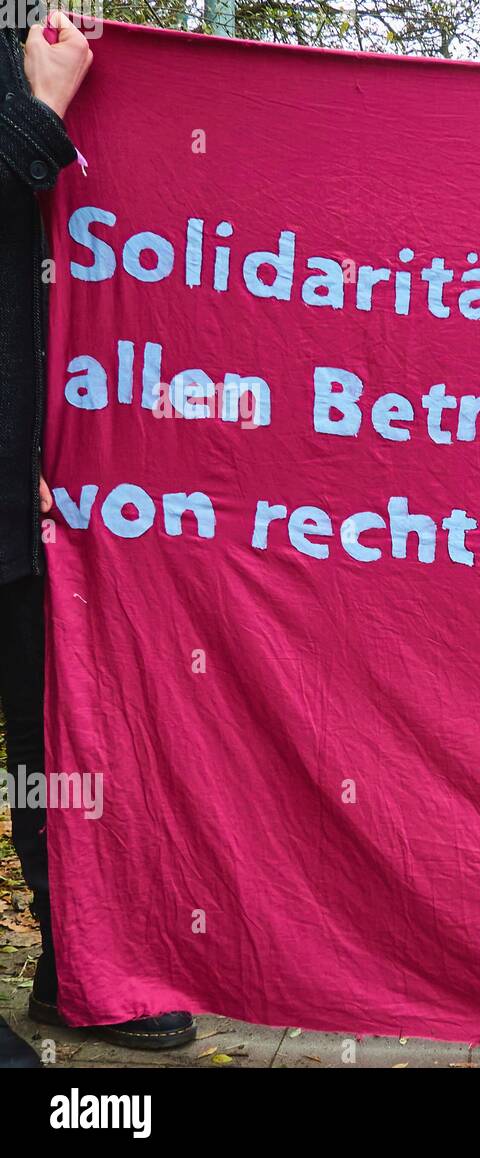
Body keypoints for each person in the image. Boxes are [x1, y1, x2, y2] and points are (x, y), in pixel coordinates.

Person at [0, 8, 195, 1069]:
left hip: (27, 481)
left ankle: (74, 965)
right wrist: (38, 113)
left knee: (49, 746)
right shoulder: (33, 77)